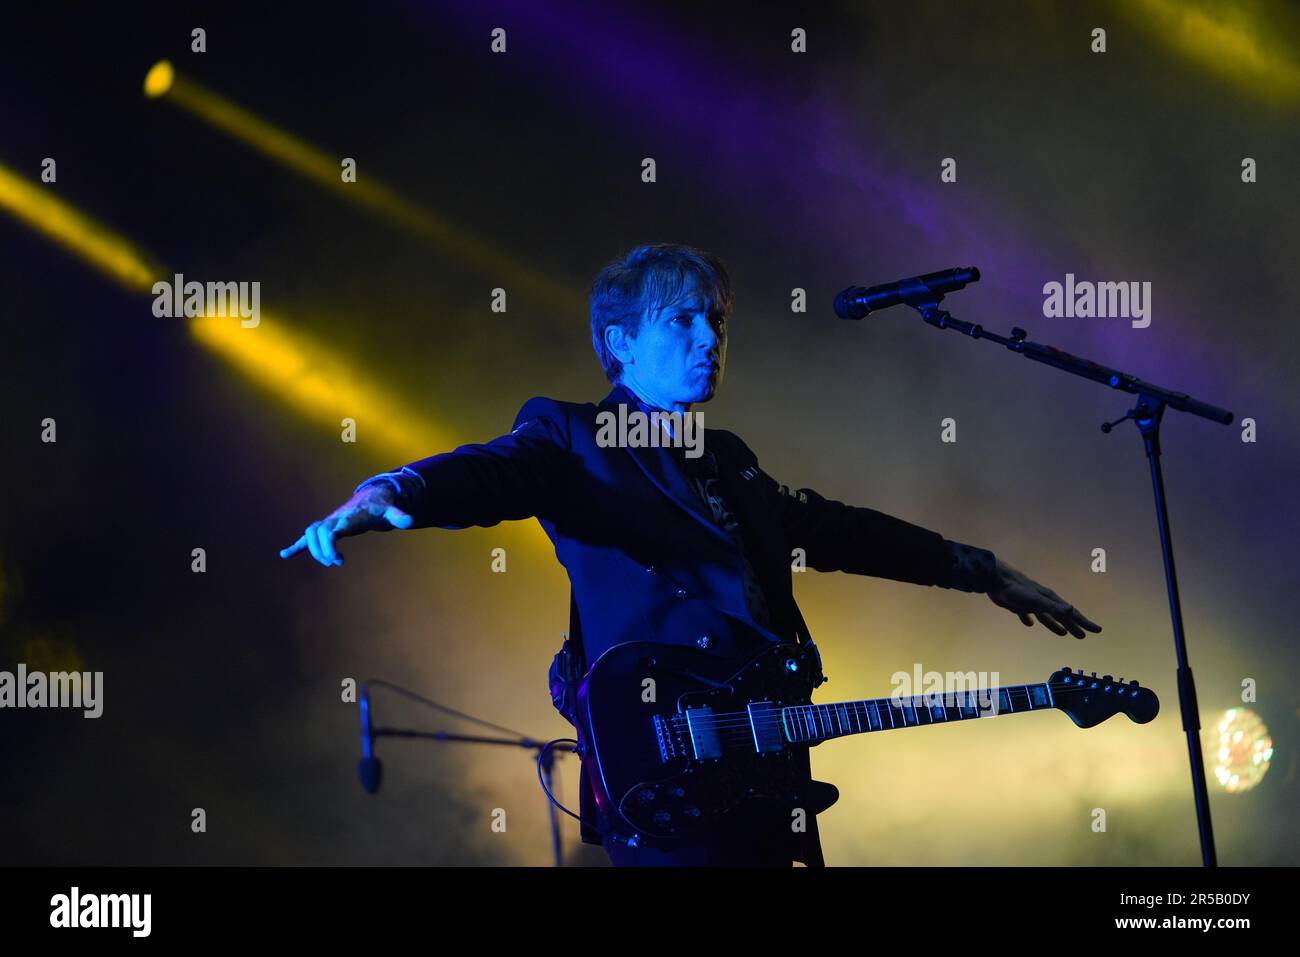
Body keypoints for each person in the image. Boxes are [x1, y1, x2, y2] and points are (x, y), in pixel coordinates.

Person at [280, 243, 1101, 866]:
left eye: (719, 318)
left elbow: (837, 529)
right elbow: (493, 472)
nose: (712, 336)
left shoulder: (731, 460)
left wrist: (980, 568)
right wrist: (391, 490)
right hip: (666, 771)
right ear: (622, 344)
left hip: (768, 771)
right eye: (684, 318)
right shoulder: (577, 436)